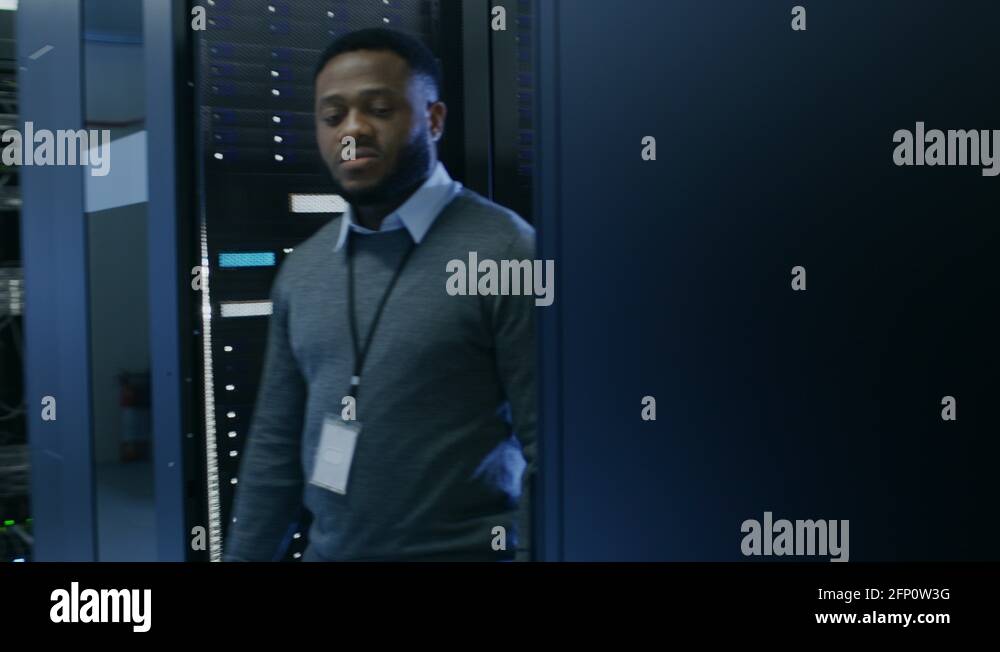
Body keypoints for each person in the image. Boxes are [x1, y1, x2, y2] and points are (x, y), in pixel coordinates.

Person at [223, 28, 537, 562]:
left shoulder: (506, 251)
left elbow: (557, 451)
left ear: (433, 119)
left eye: (379, 109)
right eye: (333, 116)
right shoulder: (303, 272)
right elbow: (272, 458)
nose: (353, 131)